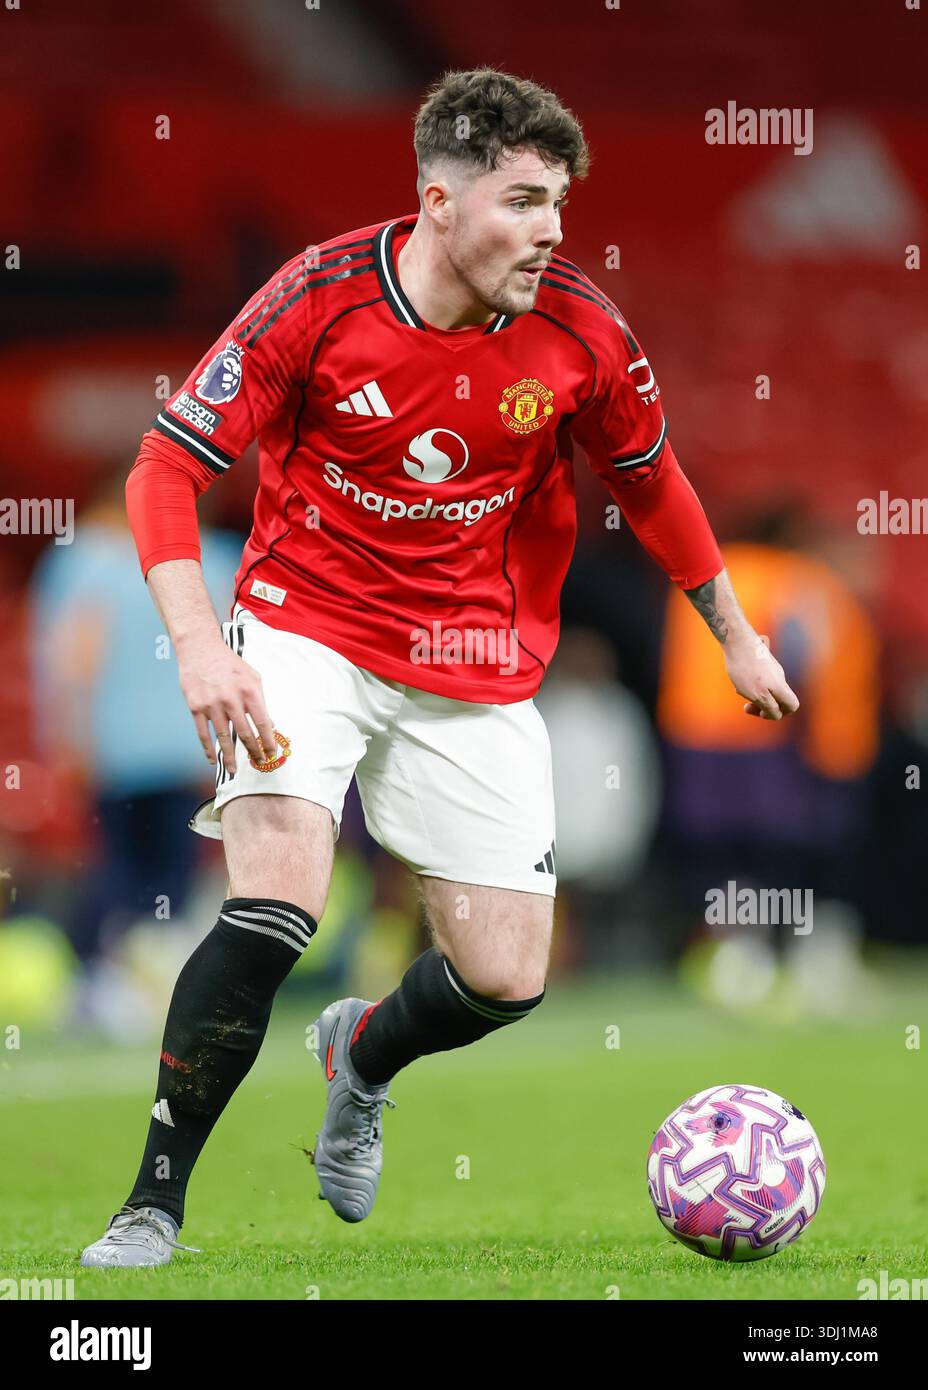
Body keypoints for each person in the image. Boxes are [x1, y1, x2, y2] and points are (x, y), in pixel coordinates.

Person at [80, 67, 798, 1267]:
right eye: (524, 200)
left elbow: (651, 485)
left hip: (472, 658)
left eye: (559, 203)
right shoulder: (313, 299)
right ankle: (152, 1200)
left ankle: (359, 1057)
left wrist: (732, 629)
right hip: (306, 627)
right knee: (275, 902)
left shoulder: (580, 328)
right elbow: (163, 469)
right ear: (439, 201)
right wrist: (202, 648)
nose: (551, 231)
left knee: (507, 974)